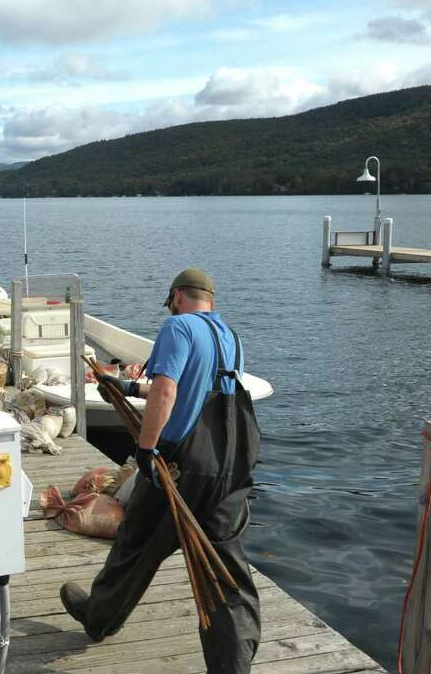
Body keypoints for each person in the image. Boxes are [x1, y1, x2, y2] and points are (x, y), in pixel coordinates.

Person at [60, 267, 262, 673]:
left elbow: (169, 390)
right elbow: (190, 389)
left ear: (176, 296)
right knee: (224, 570)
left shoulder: (178, 327)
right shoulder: (230, 338)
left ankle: (98, 617)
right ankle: (233, 666)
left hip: (182, 469)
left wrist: (148, 448)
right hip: (229, 470)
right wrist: (129, 387)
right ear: (212, 301)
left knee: (135, 545)